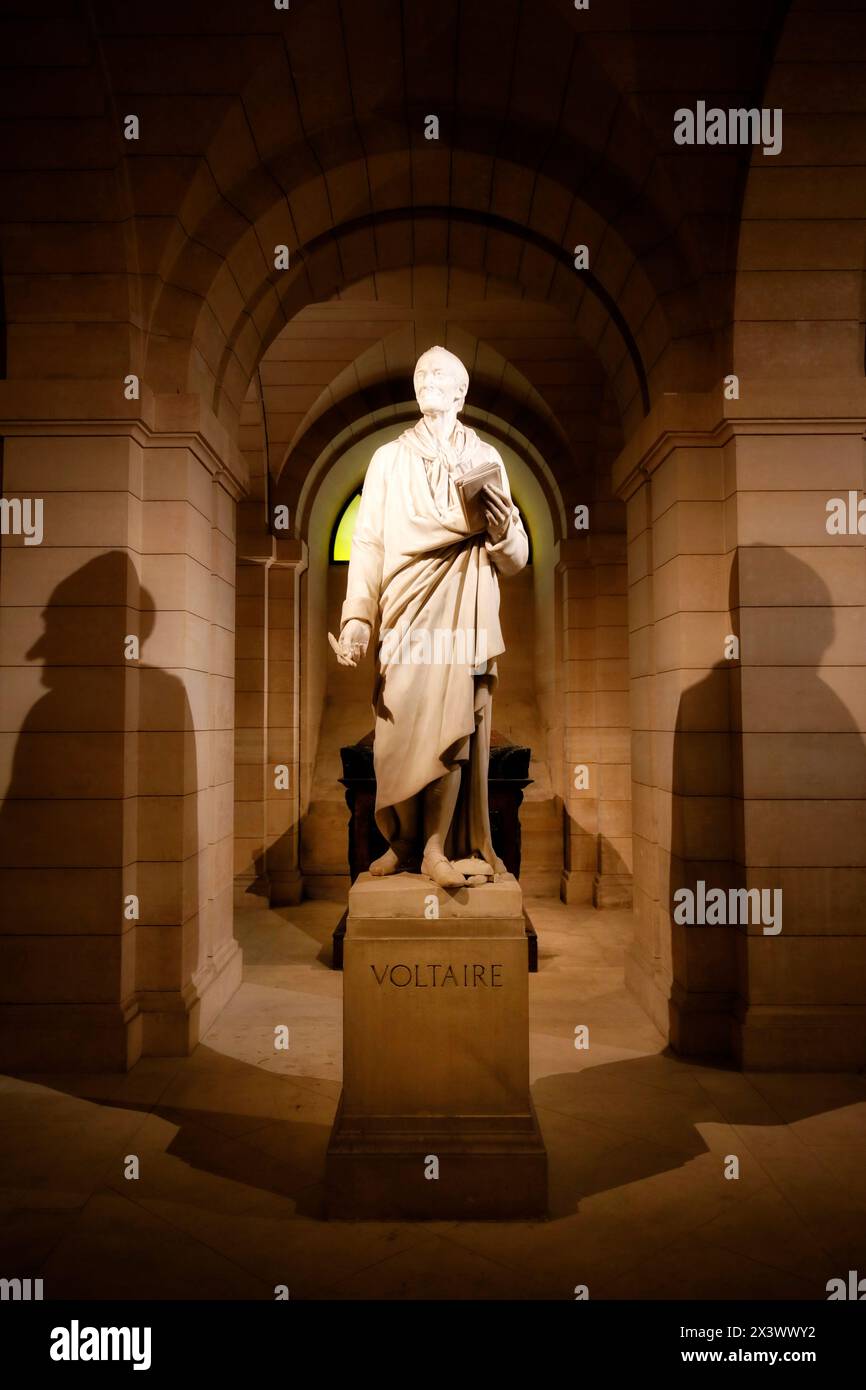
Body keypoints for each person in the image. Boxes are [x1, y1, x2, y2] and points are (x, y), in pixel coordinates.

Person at [331, 346, 528, 888]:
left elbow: (516, 557)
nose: (427, 380)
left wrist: (503, 530)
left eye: (439, 374)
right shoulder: (388, 460)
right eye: (420, 373)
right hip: (404, 611)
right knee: (396, 729)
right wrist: (356, 618)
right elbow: (368, 541)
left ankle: (437, 847)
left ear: (461, 392)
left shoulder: (485, 459)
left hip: (462, 610)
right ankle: (402, 842)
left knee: (454, 729)